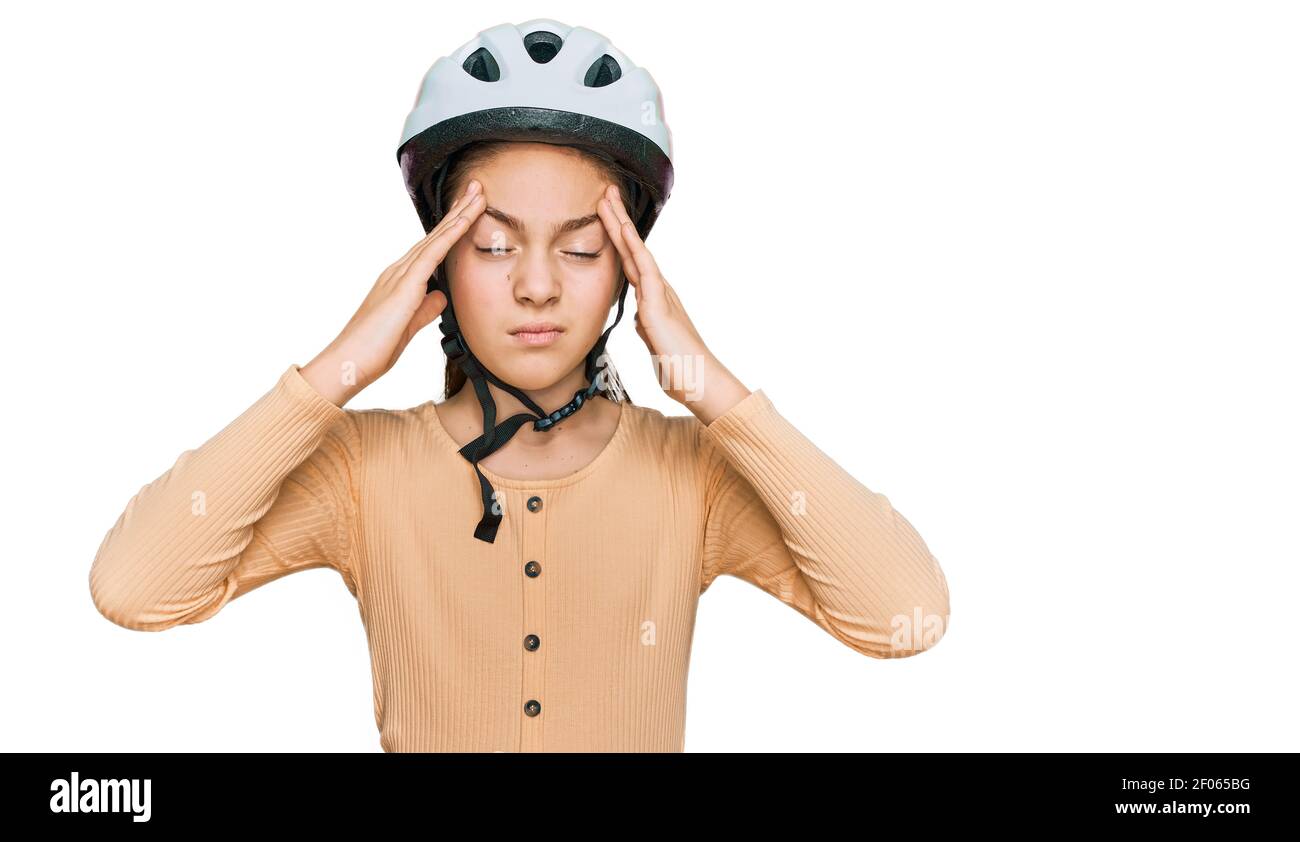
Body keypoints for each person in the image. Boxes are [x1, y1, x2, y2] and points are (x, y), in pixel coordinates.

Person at [89, 19, 951, 752]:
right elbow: (134, 588)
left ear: (628, 273)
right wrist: (338, 368)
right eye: (494, 245)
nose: (537, 287)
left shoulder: (694, 473)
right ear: (436, 261)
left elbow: (904, 613)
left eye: (581, 248)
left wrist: (711, 385)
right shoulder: (362, 468)